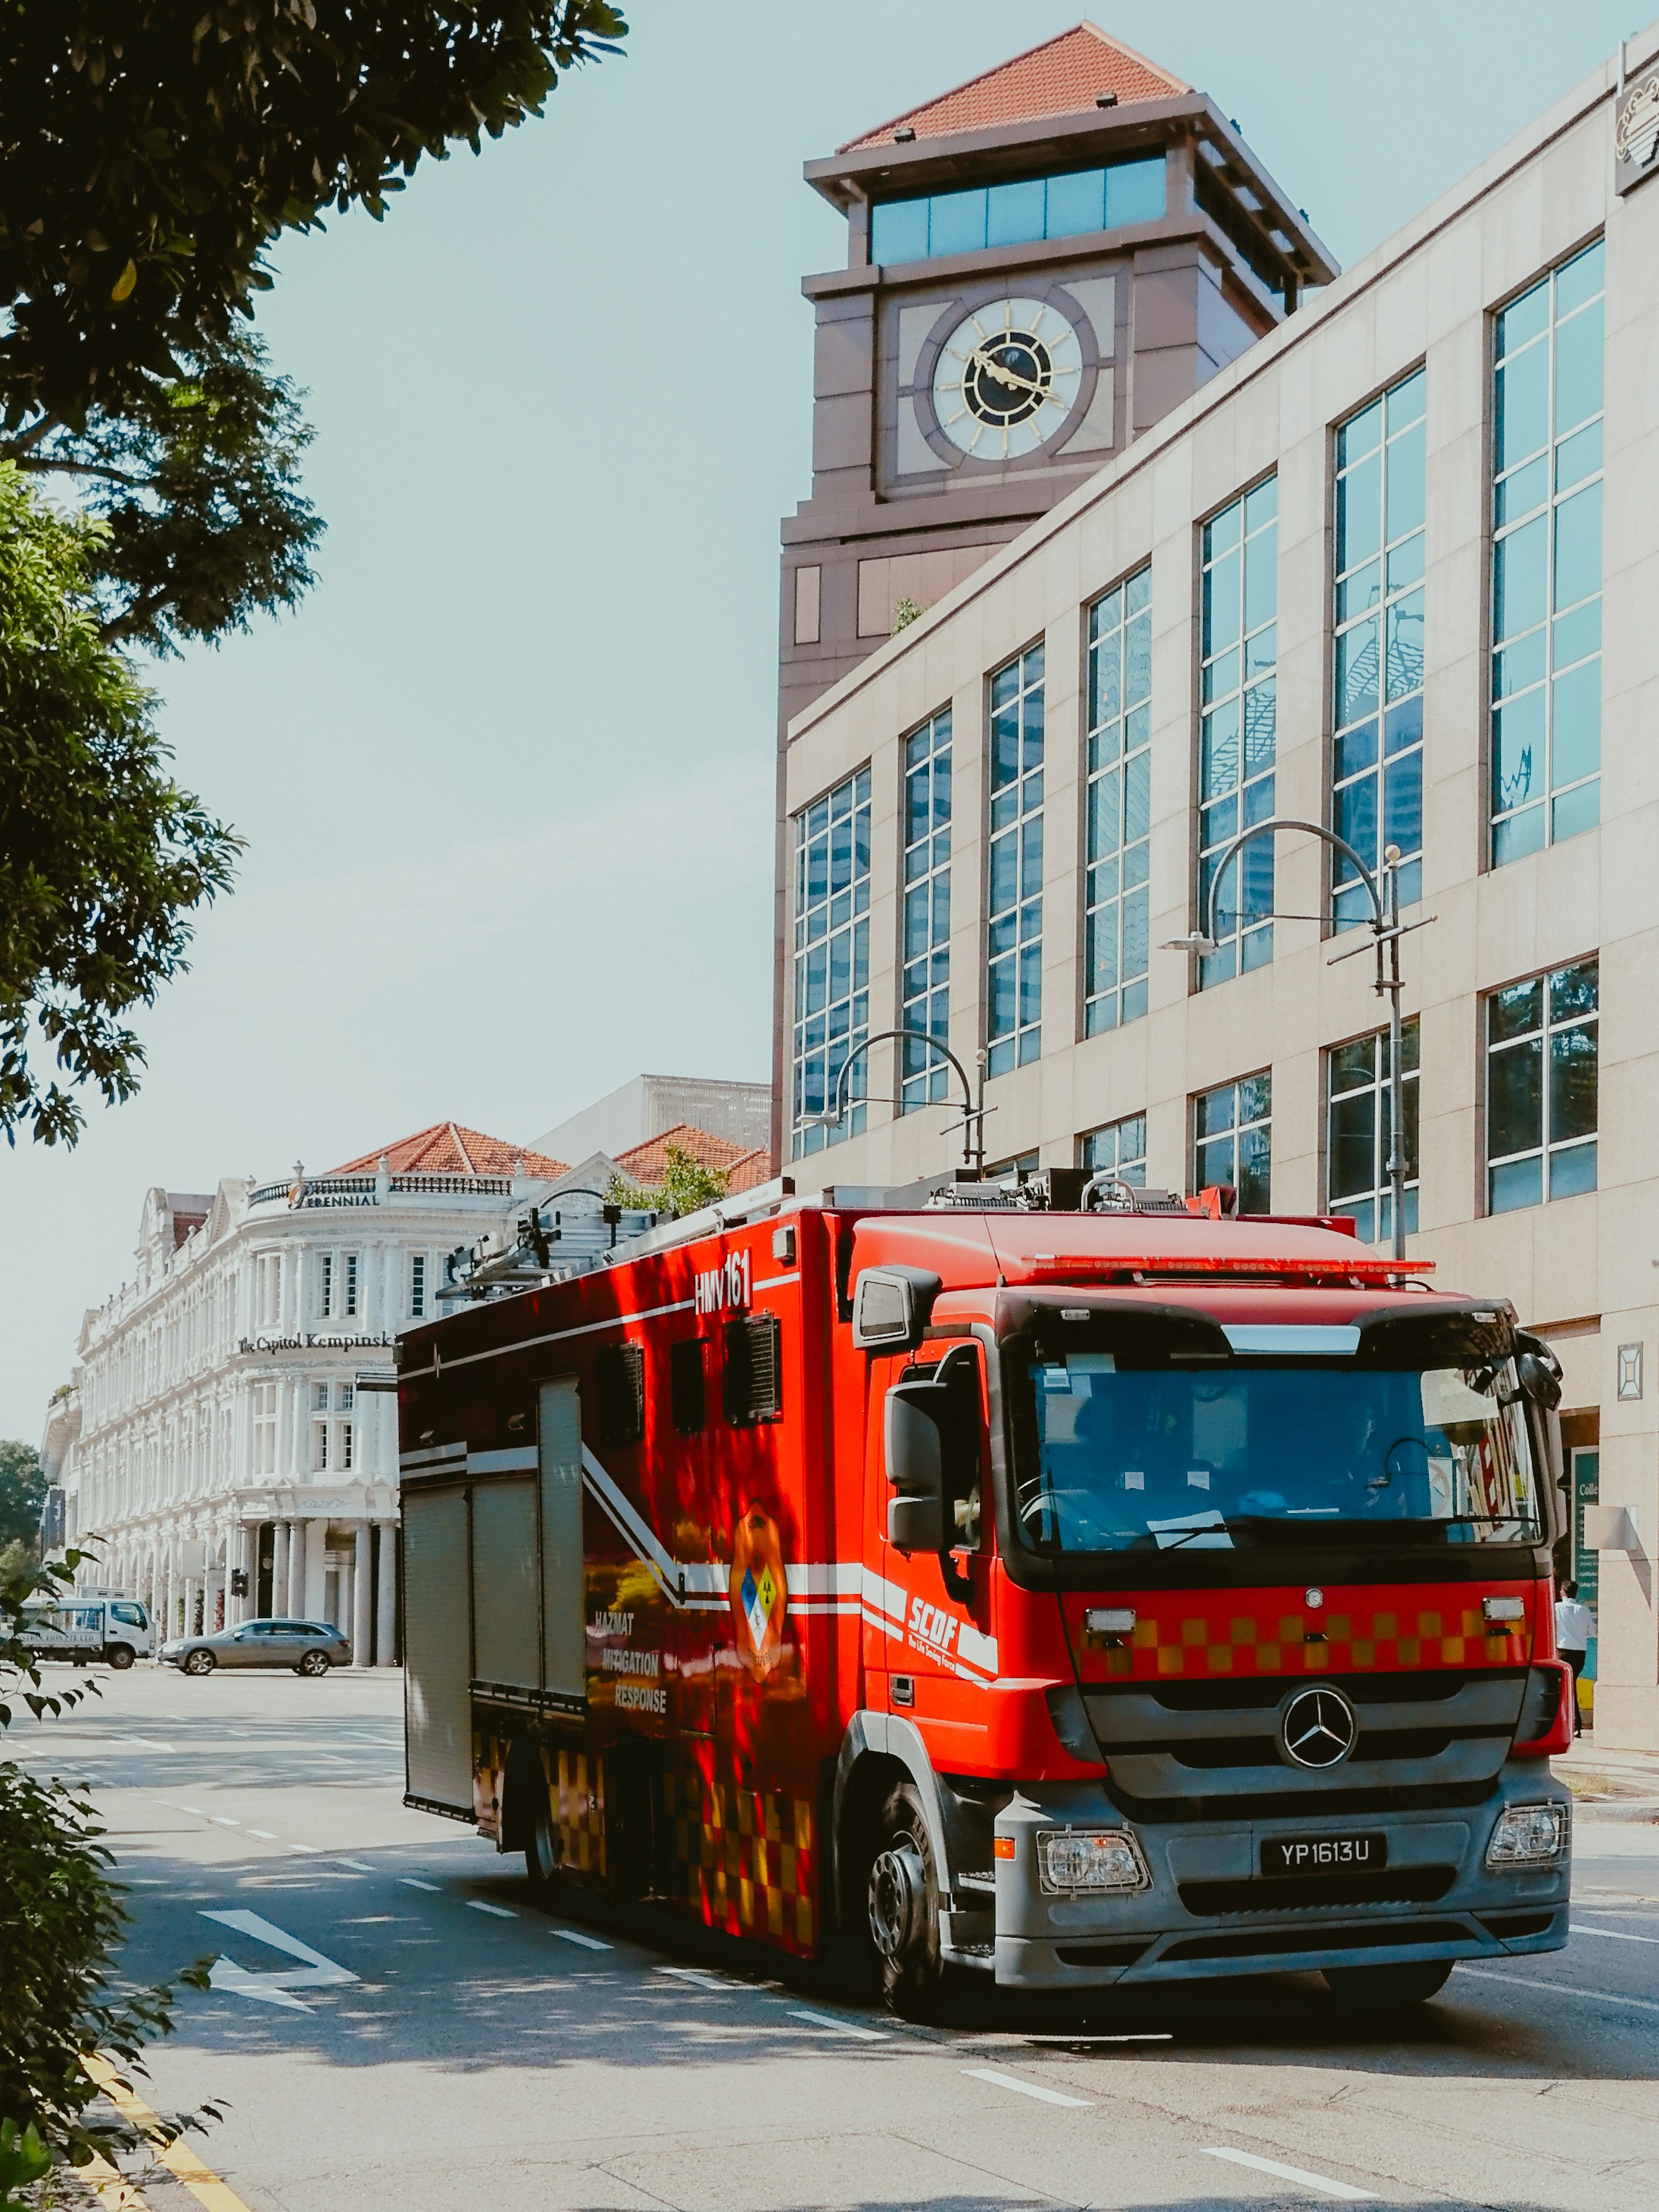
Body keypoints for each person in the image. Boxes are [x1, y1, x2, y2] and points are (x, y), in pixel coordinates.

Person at [1555, 1580, 1596, 1738]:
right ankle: (1575, 1725)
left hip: (1562, 1651)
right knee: (1571, 1687)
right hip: (1579, 1653)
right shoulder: (1584, 1610)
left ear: (1562, 1592)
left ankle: (1568, 1724)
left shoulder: (1556, 1608)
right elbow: (1592, 1632)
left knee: (1562, 1688)